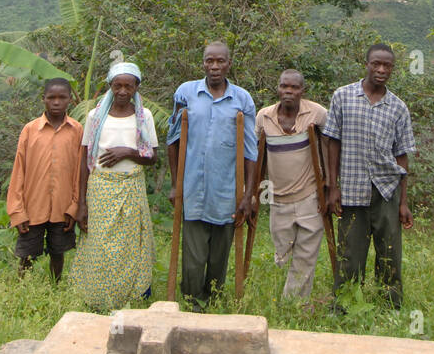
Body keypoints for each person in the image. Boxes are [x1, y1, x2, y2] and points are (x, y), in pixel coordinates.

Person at [323, 44, 415, 309]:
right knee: (350, 252)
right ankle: (345, 304)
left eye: (387, 66)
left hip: (386, 188)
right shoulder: (343, 96)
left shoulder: (398, 107)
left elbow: (402, 157)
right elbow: (332, 142)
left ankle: (390, 305)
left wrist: (403, 202)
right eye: (376, 64)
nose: (382, 70)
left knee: (389, 251)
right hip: (352, 188)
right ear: (366, 64)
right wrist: (332, 186)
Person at [167, 41, 258, 308]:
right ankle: (193, 300)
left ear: (229, 64)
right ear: (203, 63)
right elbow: (173, 141)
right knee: (193, 254)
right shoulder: (186, 93)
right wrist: (175, 184)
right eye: (209, 61)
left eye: (220, 61)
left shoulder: (242, 99)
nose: (214, 66)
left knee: (220, 254)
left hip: (226, 188)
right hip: (193, 186)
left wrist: (248, 193)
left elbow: (250, 151)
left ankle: (214, 298)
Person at [71, 61, 158, 311]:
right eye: (117, 85)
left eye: (128, 86)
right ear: (110, 86)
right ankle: (97, 297)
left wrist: (128, 152)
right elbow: (85, 159)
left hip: (131, 187)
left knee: (129, 245)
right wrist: (81, 204)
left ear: (136, 87)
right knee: (100, 242)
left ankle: (130, 296)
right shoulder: (95, 117)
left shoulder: (144, 117)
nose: (122, 91)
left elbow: (152, 158)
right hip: (101, 188)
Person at [255, 70, 328, 300]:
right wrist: (252, 193)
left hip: (309, 195)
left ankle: (293, 304)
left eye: (294, 88)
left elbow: (330, 145)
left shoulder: (317, 114)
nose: (289, 91)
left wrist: (330, 185)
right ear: (277, 88)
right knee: (283, 252)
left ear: (302, 91)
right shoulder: (264, 117)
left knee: (305, 255)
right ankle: (294, 297)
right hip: (278, 197)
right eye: (284, 86)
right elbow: (255, 156)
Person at [6, 78, 83, 282]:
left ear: (69, 101)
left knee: (58, 252)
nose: (56, 102)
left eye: (62, 97)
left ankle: (54, 287)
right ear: (43, 99)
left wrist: (74, 207)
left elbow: (80, 172)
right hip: (32, 207)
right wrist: (17, 211)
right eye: (51, 98)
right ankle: (23, 291)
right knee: (27, 254)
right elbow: (18, 170)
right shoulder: (30, 130)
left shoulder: (77, 130)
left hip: (63, 206)